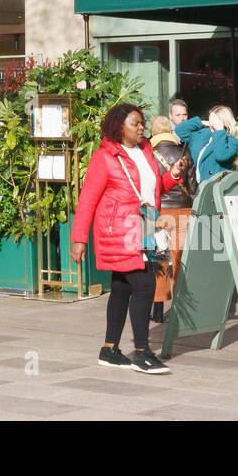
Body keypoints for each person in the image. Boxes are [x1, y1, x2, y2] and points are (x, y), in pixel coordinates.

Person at [70, 103, 188, 375]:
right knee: (144, 283)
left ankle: (109, 349)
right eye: (135, 123)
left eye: (142, 123)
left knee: (122, 286)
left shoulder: (145, 151)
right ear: (119, 126)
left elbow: (153, 187)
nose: (141, 127)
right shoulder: (105, 157)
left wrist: (172, 175)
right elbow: (88, 198)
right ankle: (142, 352)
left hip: (144, 226)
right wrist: (79, 239)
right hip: (120, 230)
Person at [148, 115, 194, 319]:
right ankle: (181, 308)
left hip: (160, 213)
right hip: (183, 210)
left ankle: (157, 309)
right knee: (181, 259)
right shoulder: (184, 151)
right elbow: (192, 185)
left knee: (161, 259)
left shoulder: (149, 153)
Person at [175, 104, 238, 186]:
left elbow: (222, 156)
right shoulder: (202, 134)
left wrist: (219, 131)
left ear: (223, 121)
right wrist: (201, 122)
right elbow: (180, 130)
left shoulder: (232, 141)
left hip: (217, 185)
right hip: (197, 186)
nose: (212, 123)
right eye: (211, 119)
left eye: (215, 120)